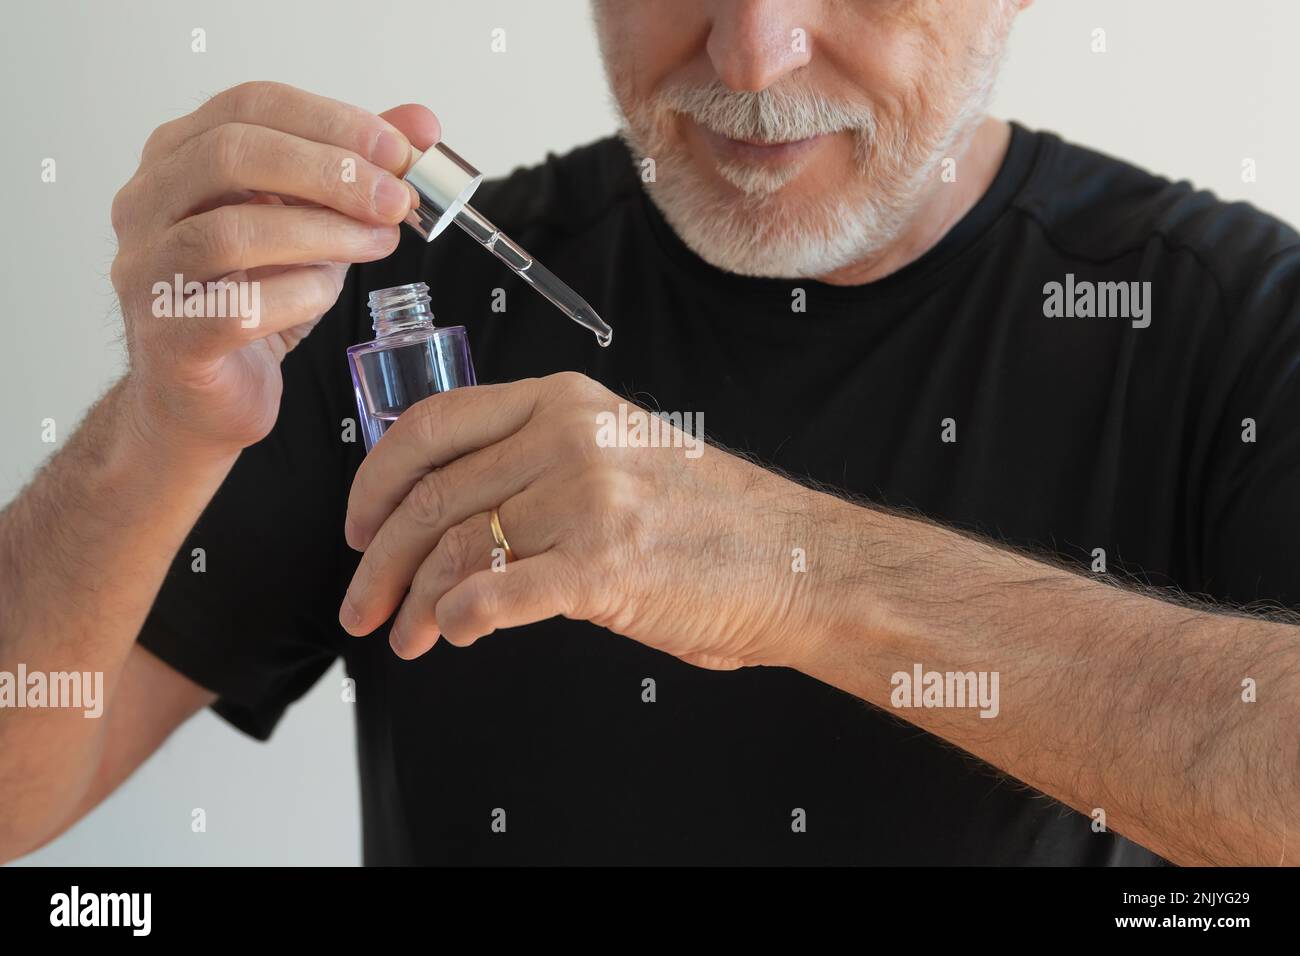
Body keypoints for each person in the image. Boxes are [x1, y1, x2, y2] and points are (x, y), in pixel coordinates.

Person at [2, 0, 1297, 866]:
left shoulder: (1225, 321)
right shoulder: (407, 307)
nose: (749, 54)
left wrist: (798, 573)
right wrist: (162, 429)